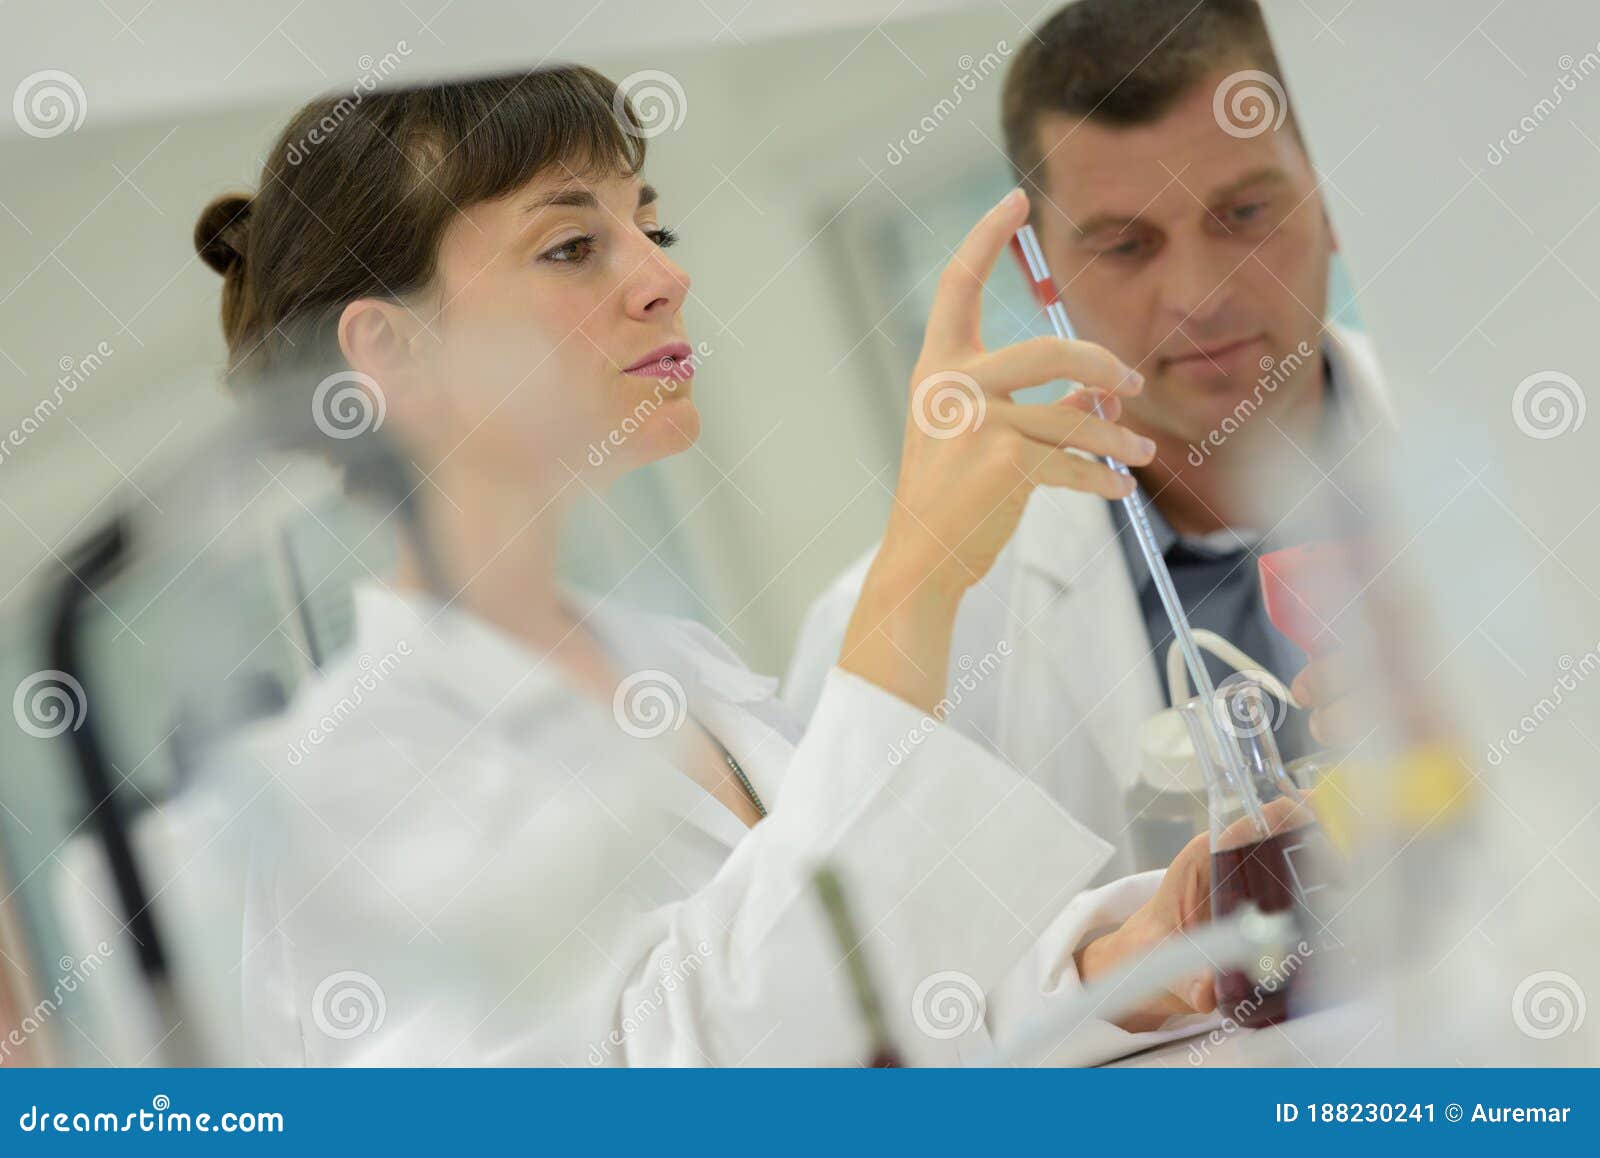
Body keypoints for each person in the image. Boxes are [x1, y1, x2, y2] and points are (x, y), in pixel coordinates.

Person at [195, 67, 1219, 1066]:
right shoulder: (354, 784)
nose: (664, 276)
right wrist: (919, 575)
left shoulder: (668, 666)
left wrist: (1121, 967)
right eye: (569, 247)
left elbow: (872, 1009)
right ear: (391, 353)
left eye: (653, 227)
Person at [786, 0, 1393, 880]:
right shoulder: (906, 630)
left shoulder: (1547, 467)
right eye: (1125, 246)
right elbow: (843, 974)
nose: (1199, 293)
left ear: (1331, 191)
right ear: (1041, 273)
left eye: (1244, 212)